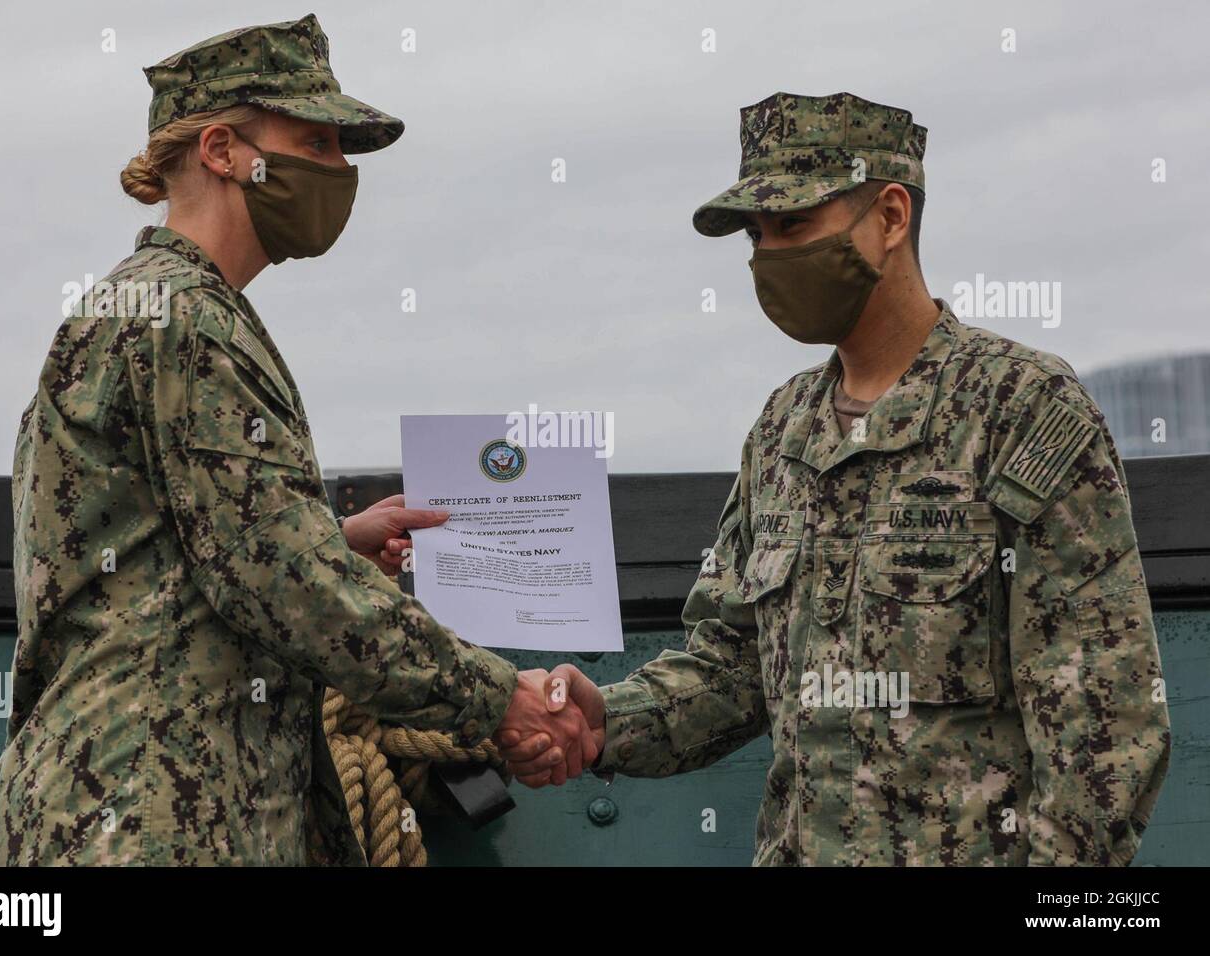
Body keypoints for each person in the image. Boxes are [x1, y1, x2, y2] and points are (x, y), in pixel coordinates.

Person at [498, 91, 1172, 866]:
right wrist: (604, 719)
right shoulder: (782, 430)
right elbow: (736, 667)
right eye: (756, 235)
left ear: (890, 218)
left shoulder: (1022, 409)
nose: (769, 255)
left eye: (794, 225)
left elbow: (1105, 724)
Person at [0, 14, 590, 866]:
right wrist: (501, 698)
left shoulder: (143, 307)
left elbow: (162, 555)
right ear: (223, 150)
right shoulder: (188, 322)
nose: (338, 171)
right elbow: (286, 583)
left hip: (108, 811)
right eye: (317, 140)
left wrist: (332, 539)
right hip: (152, 821)